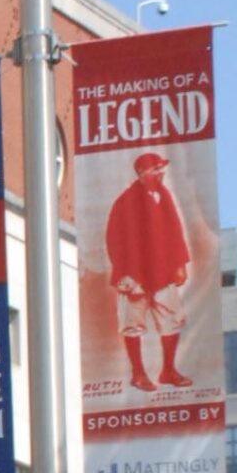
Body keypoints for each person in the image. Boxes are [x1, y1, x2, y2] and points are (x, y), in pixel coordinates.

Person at [104, 148, 192, 391]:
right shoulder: (125, 201)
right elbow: (114, 239)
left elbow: (175, 231)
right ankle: (138, 374)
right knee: (133, 323)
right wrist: (125, 274)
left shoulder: (165, 195)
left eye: (162, 169)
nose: (161, 173)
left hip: (163, 271)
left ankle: (168, 370)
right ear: (142, 173)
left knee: (172, 319)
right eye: (156, 169)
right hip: (134, 274)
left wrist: (180, 264)